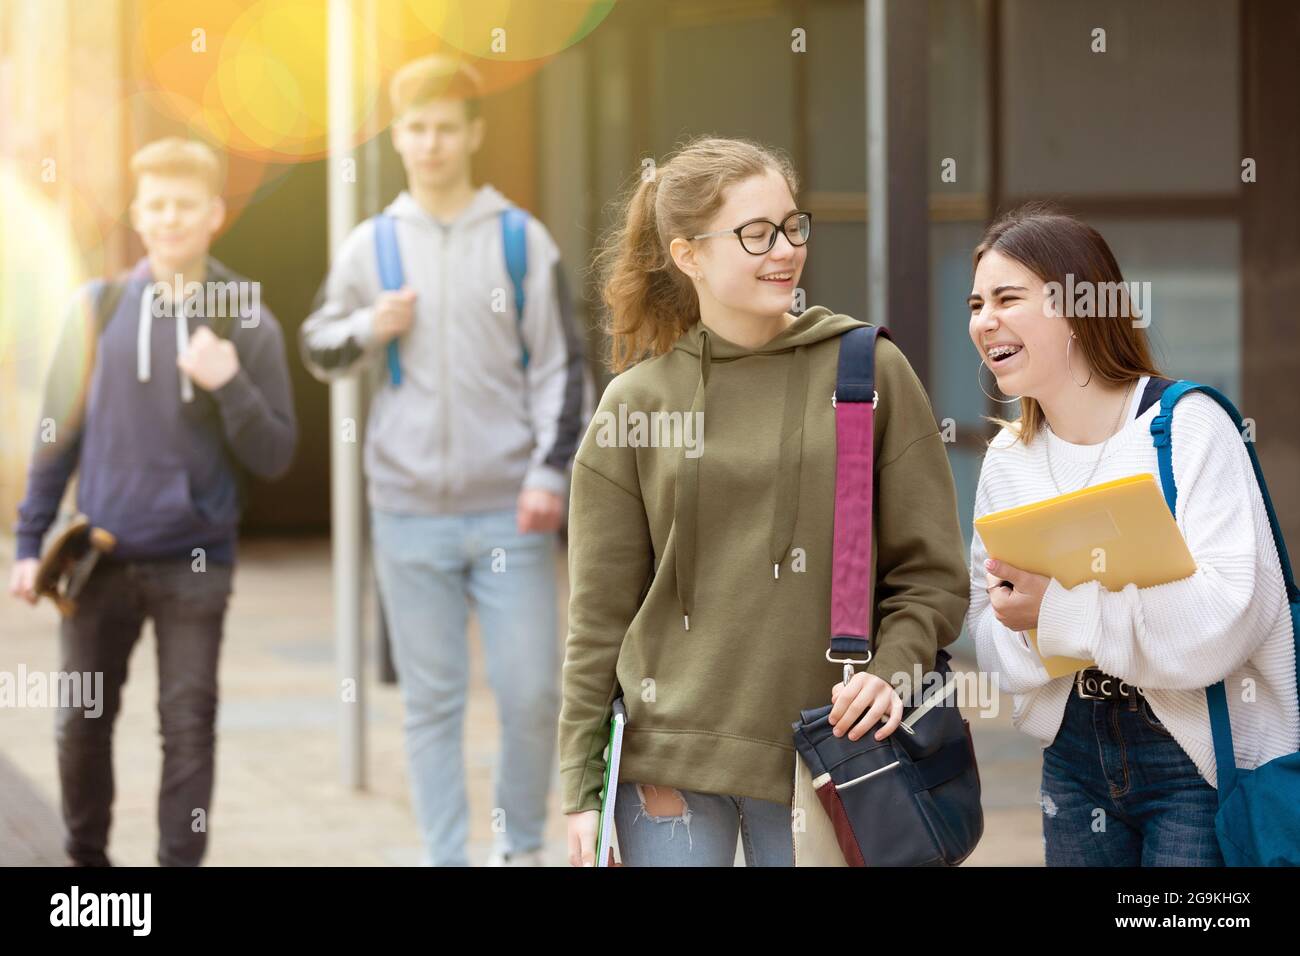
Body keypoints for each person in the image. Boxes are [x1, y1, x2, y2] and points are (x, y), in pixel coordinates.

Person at [561, 136, 970, 867]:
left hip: (830, 754)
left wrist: (891, 668)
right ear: (688, 255)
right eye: (756, 234)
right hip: (668, 764)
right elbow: (598, 618)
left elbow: (933, 576)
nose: (784, 250)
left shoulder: (867, 370)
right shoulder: (636, 402)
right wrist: (581, 789)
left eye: (792, 226)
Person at [300, 55, 592, 867]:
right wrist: (369, 328)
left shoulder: (518, 239)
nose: (429, 143)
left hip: (513, 510)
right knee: (431, 703)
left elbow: (564, 368)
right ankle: (444, 857)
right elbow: (318, 345)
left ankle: (516, 850)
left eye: (444, 128)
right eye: (415, 128)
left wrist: (546, 475)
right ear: (399, 137)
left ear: (472, 133)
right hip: (407, 513)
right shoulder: (372, 246)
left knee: (532, 694)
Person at [965, 206, 1299, 866]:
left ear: (1079, 308)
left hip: (1195, 757)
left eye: (1008, 298)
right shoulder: (1008, 456)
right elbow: (989, 635)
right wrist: (1023, 620)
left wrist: (1054, 612)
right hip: (1073, 754)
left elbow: (1227, 621)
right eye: (976, 303)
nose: (983, 321)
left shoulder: (1190, 428)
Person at [8, 136, 298, 866]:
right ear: (139, 214)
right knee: (79, 723)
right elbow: (55, 433)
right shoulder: (96, 310)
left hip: (195, 566)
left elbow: (276, 454)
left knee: (188, 725)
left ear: (213, 214)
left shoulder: (245, 322)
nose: (170, 219)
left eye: (185, 205)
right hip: (96, 558)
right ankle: (87, 868)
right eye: (157, 205)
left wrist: (227, 382)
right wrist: (26, 541)